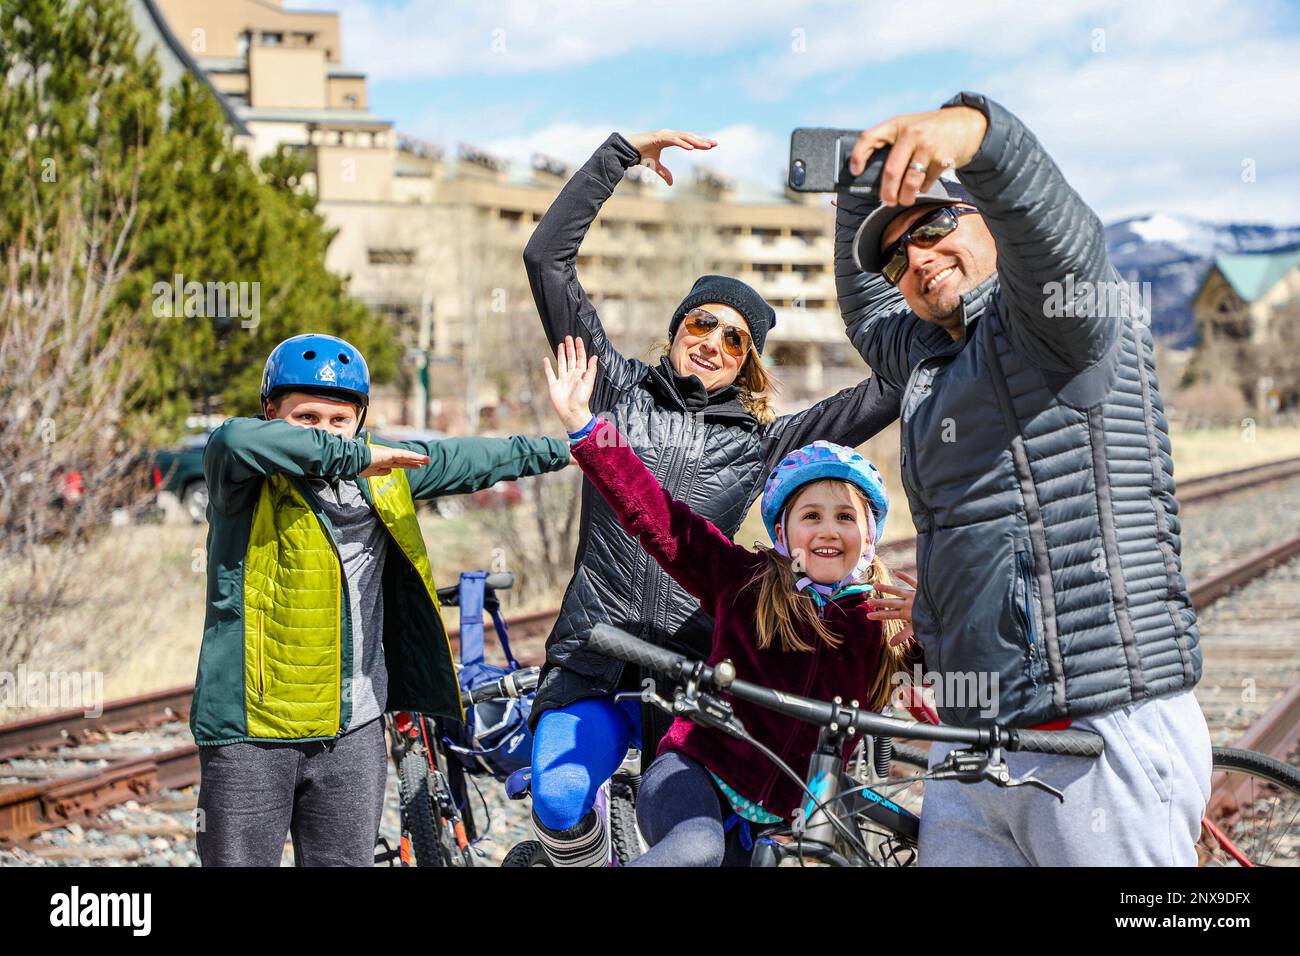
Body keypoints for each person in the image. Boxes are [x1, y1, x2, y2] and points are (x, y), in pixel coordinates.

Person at [833, 93, 1211, 865]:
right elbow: (866, 308)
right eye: (899, 256)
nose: (918, 259)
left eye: (935, 226)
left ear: (988, 220)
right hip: (972, 731)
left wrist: (979, 132)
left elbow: (1062, 237)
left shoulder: (1064, 321)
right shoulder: (932, 355)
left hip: (1094, 724)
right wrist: (854, 189)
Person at [522, 129, 903, 865]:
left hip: (699, 681)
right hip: (591, 658)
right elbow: (545, 258)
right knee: (560, 799)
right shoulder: (612, 387)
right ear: (676, 330)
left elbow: (888, 389)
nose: (713, 343)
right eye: (701, 323)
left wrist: (857, 218)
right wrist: (622, 155)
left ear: (748, 362)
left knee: (707, 839)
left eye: (735, 340)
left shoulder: (764, 443)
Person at [192, 333, 571, 866]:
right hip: (251, 736)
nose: (325, 432)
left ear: (360, 421)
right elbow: (231, 439)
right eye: (306, 418)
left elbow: (480, 458)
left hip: (354, 732)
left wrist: (573, 447)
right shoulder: (243, 475)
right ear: (270, 412)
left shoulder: (385, 474)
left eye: (339, 420)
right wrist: (349, 454)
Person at [545, 335, 916, 865]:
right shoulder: (748, 583)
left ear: (871, 533)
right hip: (694, 777)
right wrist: (587, 428)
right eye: (810, 516)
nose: (828, 531)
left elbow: (948, 684)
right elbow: (658, 517)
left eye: (845, 517)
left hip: (788, 819)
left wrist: (934, 620)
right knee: (696, 849)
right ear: (784, 533)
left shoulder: (885, 619)